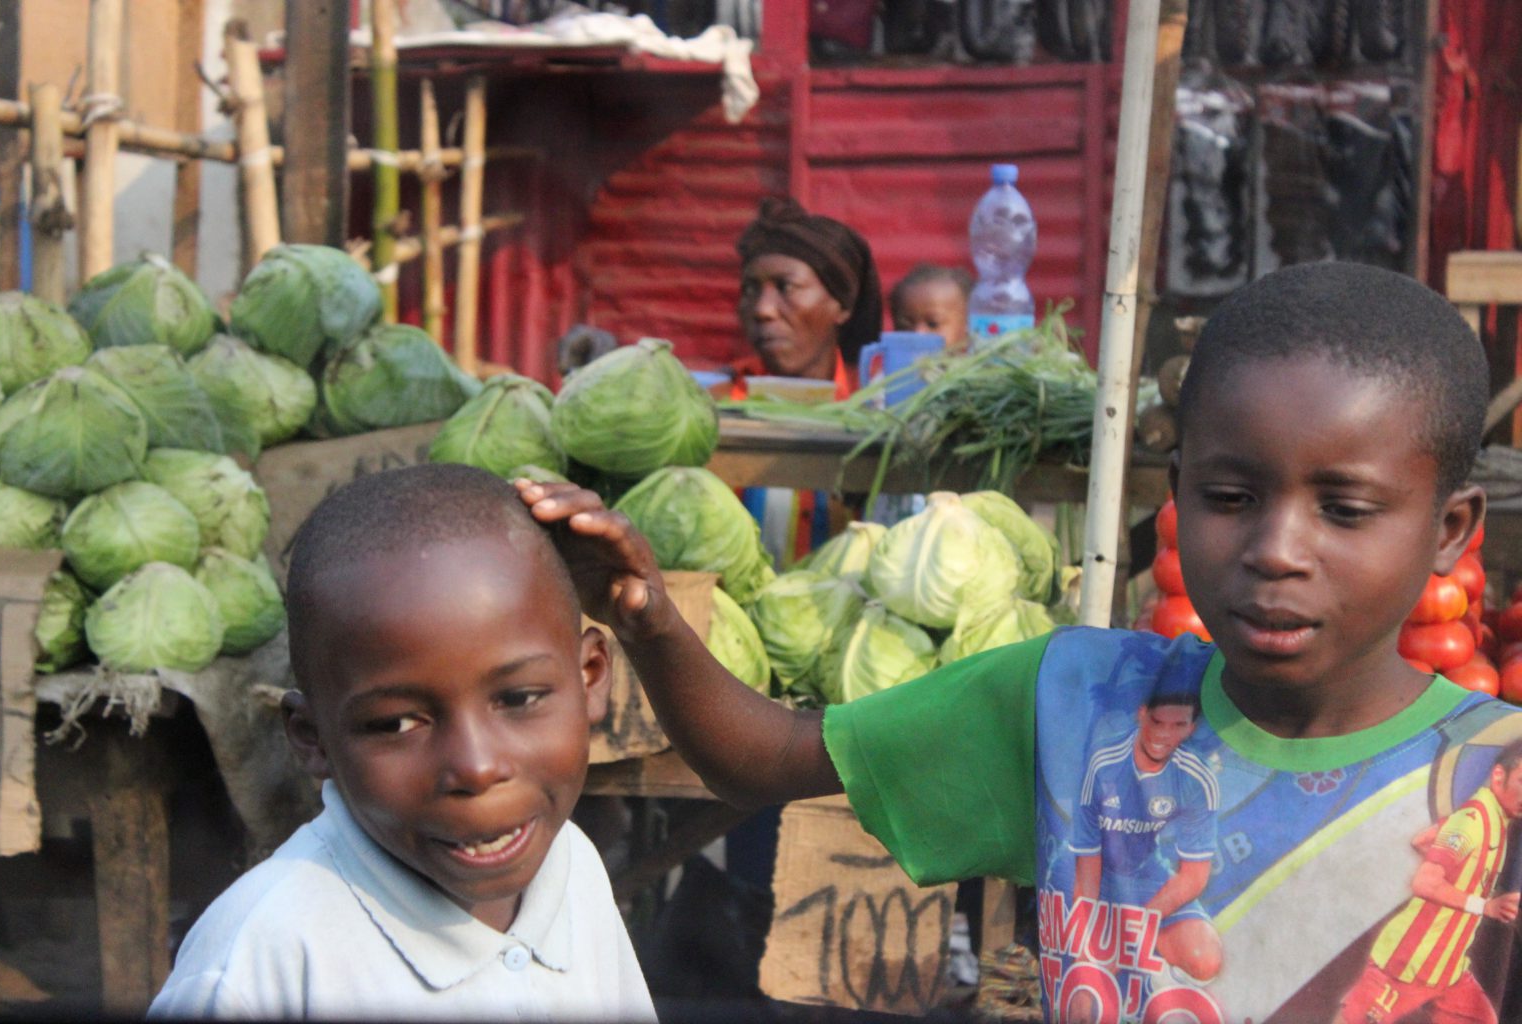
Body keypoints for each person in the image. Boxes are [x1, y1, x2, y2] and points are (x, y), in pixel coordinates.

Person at [521, 260, 1522, 1023]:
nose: (1276, 550)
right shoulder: (1076, 709)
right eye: (1229, 497)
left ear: (1449, 530)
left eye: (1345, 510)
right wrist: (646, 613)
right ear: (1174, 495)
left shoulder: (1502, 789)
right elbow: (764, 758)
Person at [149, 464, 654, 1021]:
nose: (477, 767)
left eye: (520, 698)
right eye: (396, 725)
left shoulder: (573, 869)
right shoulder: (261, 963)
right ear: (311, 738)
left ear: (590, 676)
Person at [1337, 740, 1522, 1024]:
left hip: (1448, 970)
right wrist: (1484, 906)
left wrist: (1454, 868)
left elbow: (1420, 840)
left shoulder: (1494, 821)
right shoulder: (1474, 821)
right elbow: (1424, 882)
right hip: (1408, 965)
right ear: (1499, 775)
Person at [1070, 693, 1221, 988]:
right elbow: (1086, 862)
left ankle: (1153, 976)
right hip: (1096, 880)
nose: (1164, 734)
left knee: (1205, 960)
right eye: (1157, 721)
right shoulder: (1102, 762)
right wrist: (1086, 937)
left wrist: (1137, 928)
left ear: (1191, 728)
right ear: (1141, 714)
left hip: (1147, 875)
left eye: (1177, 725)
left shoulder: (1197, 777)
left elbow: (1193, 876)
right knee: (1088, 972)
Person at [733, 196, 883, 399]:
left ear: (843, 307)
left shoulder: (878, 401)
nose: (762, 309)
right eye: (750, 290)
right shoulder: (717, 398)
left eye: (786, 287)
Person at [889, 263, 973, 353]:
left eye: (933, 324)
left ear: (968, 327)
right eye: (904, 325)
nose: (918, 334)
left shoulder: (988, 366)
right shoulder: (888, 367)